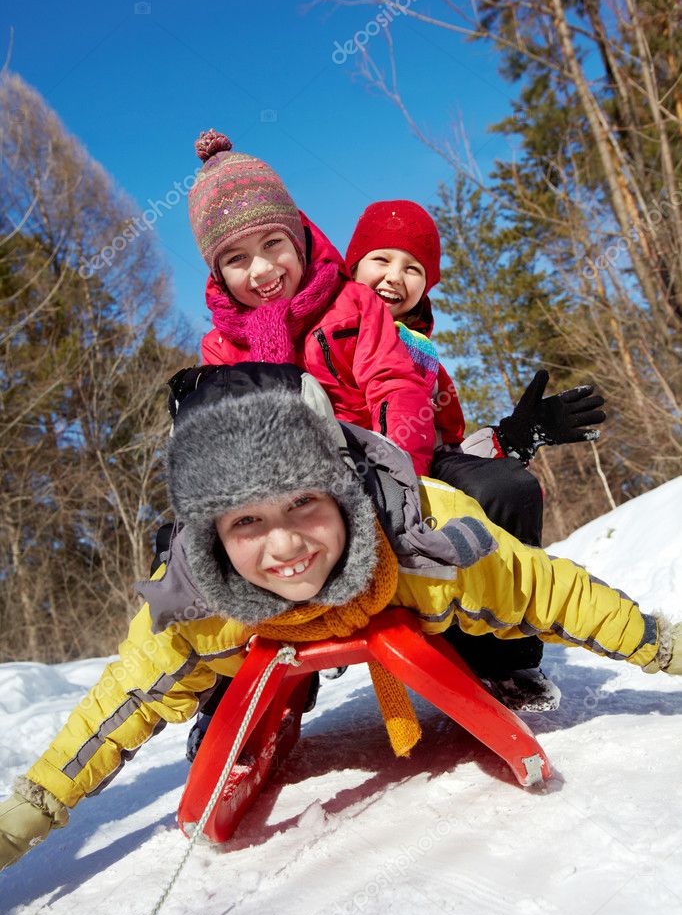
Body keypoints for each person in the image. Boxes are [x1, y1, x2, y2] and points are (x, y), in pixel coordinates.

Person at [0, 362, 678, 873]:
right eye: (246, 521)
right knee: (202, 676)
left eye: (303, 503)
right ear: (211, 536)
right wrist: (25, 814)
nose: (285, 545)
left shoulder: (424, 541)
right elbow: (117, 703)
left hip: (402, 595)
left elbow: (550, 590)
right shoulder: (197, 608)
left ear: (343, 492)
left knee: (490, 595)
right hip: (253, 635)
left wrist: (661, 644)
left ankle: (490, 664)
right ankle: (227, 705)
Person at [346, 199, 606, 683]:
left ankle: (503, 660)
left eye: (413, 268)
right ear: (354, 266)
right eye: (381, 259)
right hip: (348, 477)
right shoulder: (326, 332)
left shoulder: (426, 360)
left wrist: (511, 439)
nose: (394, 276)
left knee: (508, 487)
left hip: (423, 473)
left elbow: (451, 449)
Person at [192, 130, 435, 477]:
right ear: (219, 275)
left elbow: (393, 386)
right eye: (236, 259)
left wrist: (400, 474)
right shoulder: (219, 348)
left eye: (272, 243)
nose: (261, 270)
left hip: (369, 463)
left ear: (297, 242)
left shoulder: (354, 304)